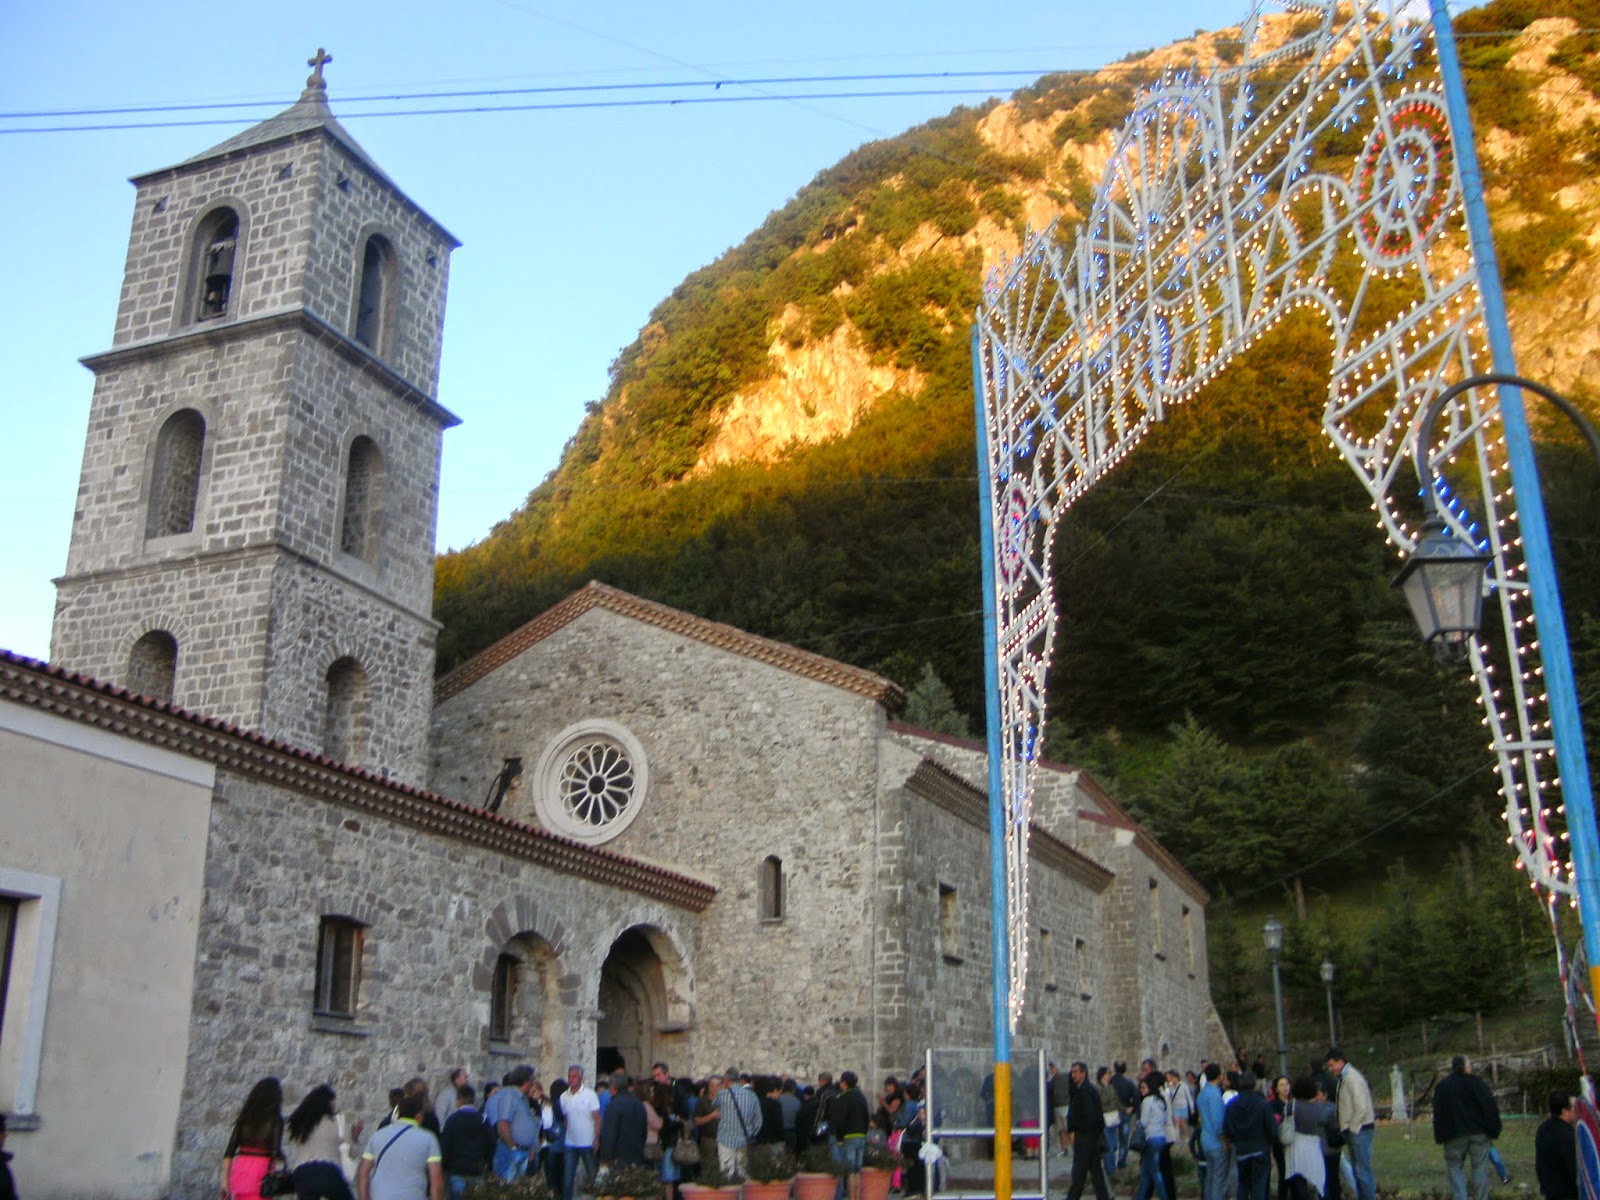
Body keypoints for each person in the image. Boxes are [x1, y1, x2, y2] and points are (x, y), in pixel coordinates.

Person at [1433, 1056, 1500, 1200]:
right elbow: (1489, 1106)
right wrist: (1494, 1129)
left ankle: (1460, 1197)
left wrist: (1439, 1135)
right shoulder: (1477, 1083)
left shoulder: (1443, 1086)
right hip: (1478, 1133)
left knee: (1455, 1168)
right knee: (1480, 1168)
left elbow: (1438, 1112)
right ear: (1466, 1067)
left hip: (1452, 1135)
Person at [358, 1091, 443, 1200]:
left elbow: (363, 1173)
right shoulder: (429, 1138)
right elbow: (436, 1181)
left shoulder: (377, 1136)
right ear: (418, 1116)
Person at [285, 1084, 358, 1200]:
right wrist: (355, 1136)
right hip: (328, 1170)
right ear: (328, 1103)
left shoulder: (301, 1122)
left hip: (301, 1172)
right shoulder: (338, 1122)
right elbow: (353, 1153)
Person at [224, 1077, 286, 1200]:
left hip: (241, 1167)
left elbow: (229, 1152)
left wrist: (224, 1182)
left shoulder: (244, 1118)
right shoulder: (275, 1120)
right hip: (261, 1169)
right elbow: (275, 1151)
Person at [1325, 1049, 1375, 1200]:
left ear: (1340, 1061)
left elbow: (1361, 1106)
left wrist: (1353, 1128)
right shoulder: (1345, 1078)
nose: (1330, 1069)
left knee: (1362, 1171)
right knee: (1357, 1170)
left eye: (1332, 1065)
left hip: (1360, 1129)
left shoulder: (1352, 1078)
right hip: (1353, 1129)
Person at [1063, 1062, 1113, 1200]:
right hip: (1090, 1138)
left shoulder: (1085, 1092)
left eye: (1075, 1072)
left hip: (1086, 1138)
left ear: (1083, 1073)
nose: (1073, 1075)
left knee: (1079, 1175)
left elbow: (1089, 1117)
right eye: (1072, 1072)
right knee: (1096, 1174)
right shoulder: (1084, 1090)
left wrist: (1076, 1130)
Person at [1224, 1072, 1276, 1200]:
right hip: (1260, 1148)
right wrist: (1270, 1142)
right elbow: (1271, 1129)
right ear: (1255, 1084)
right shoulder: (1262, 1104)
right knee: (1259, 1185)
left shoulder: (1231, 1104)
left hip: (1241, 1149)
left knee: (1242, 1184)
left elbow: (1227, 1128)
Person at [440, 1084, 496, 1197]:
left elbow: (445, 1146)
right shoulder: (483, 1119)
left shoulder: (452, 1120)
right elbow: (491, 1144)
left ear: (459, 1100)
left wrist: (444, 1167)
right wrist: (488, 1164)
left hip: (457, 1170)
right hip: (477, 1168)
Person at [487, 1065, 542, 1181]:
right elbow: (503, 1124)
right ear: (525, 1081)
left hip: (522, 1152)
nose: (533, 1083)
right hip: (512, 1152)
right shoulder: (510, 1096)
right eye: (532, 1080)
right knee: (508, 1184)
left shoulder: (522, 1098)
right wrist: (513, 1147)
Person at [1283, 1076, 1331, 1200]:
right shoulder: (1318, 1107)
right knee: (1315, 1175)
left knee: (1298, 1179)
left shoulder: (1292, 1105)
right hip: (1314, 1145)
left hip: (1296, 1143)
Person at [561, 1065, 602, 1200]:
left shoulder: (590, 1095)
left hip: (587, 1142)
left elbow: (597, 1118)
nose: (571, 1079)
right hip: (570, 1142)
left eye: (574, 1076)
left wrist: (596, 1138)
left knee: (593, 1176)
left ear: (581, 1078)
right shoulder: (564, 1096)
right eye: (569, 1076)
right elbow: (566, 1118)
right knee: (567, 1179)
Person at [829, 1071, 872, 1200]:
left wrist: (839, 1137)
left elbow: (839, 1120)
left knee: (850, 1171)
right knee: (858, 1171)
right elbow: (866, 1116)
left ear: (844, 1083)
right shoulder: (861, 1097)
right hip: (861, 1135)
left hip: (848, 1136)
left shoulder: (842, 1098)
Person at [715, 1070, 764, 1177]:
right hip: (744, 1139)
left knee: (726, 1172)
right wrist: (751, 1133)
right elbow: (758, 1120)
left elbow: (715, 1106)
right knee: (744, 1172)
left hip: (725, 1137)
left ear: (726, 1080)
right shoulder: (752, 1096)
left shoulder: (722, 1094)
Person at [1133, 1072, 1174, 1200]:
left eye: (1143, 1087)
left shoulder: (1147, 1101)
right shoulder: (1160, 1100)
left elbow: (1144, 1122)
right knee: (1147, 1172)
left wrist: (1138, 1123)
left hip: (1151, 1138)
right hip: (1161, 1137)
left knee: (1154, 1172)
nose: (1141, 1090)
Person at [1535, 1091, 1578, 1200]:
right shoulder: (1567, 1135)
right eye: (1573, 1108)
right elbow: (1573, 1167)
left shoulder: (1543, 1129)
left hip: (1549, 1191)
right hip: (1566, 1193)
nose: (1576, 1111)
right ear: (1564, 1111)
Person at [600, 1074, 649, 1166]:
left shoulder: (614, 1105)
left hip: (619, 1157)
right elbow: (644, 1131)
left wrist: (605, 1157)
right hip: (637, 1154)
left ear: (613, 1088)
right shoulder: (638, 1103)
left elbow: (609, 1134)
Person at [1198, 1064, 1228, 1200]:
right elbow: (1218, 1122)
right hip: (1216, 1141)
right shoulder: (1215, 1094)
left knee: (1209, 1178)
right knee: (1218, 1180)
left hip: (1205, 1139)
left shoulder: (1202, 1093)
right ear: (1219, 1076)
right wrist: (1224, 1140)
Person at [1097, 1068, 1123, 1183]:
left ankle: (1111, 1168)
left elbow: (1117, 1100)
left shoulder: (1111, 1087)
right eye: (1107, 1074)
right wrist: (1106, 1088)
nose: (1109, 1076)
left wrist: (1123, 1109)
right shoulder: (1099, 1088)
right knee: (1109, 1147)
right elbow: (1102, 1101)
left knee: (1114, 1145)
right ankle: (1110, 1170)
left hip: (1113, 1118)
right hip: (1105, 1119)